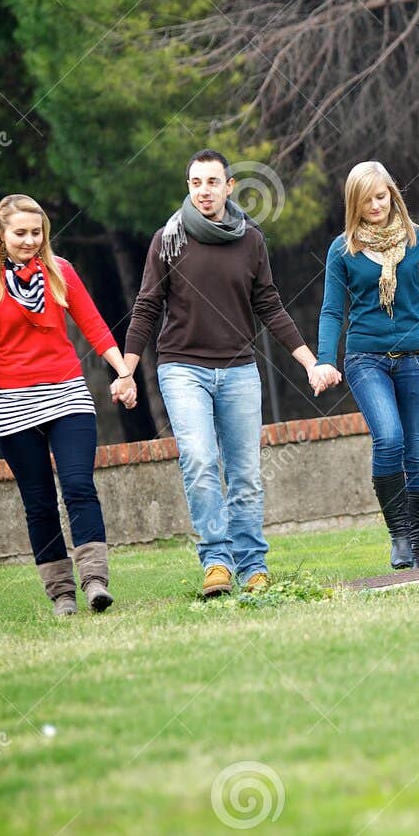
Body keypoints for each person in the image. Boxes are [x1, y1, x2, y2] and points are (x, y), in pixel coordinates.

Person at [123, 149, 324, 597]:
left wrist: (309, 362)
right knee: (199, 460)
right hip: (181, 368)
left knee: (246, 472)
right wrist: (127, 371)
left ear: (230, 187)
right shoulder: (168, 239)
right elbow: (146, 307)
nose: (204, 191)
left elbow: (269, 305)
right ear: (188, 187)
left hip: (237, 369)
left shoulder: (250, 240)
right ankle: (216, 561)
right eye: (195, 183)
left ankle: (253, 564)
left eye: (212, 182)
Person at [0, 195, 136, 616]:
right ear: (1, 235)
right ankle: (61, 594)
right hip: (10, 404)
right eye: (20, 233)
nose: (29, 240)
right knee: (39, 501)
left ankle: (95, 580)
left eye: (36, 232)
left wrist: (123, 372)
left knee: (79, 486)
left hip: (66, 394)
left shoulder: (60, 273)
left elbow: (94, 323)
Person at [314, 160, 419, 570]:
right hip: (365, 359)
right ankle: (400, 536)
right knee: (389, 439)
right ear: (354, 202)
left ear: (392, 193)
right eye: (367, 198)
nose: (376, 205)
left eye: (382, 195)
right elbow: (332, 311)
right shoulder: (343, 249)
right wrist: (323, 359)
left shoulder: (417, 241)